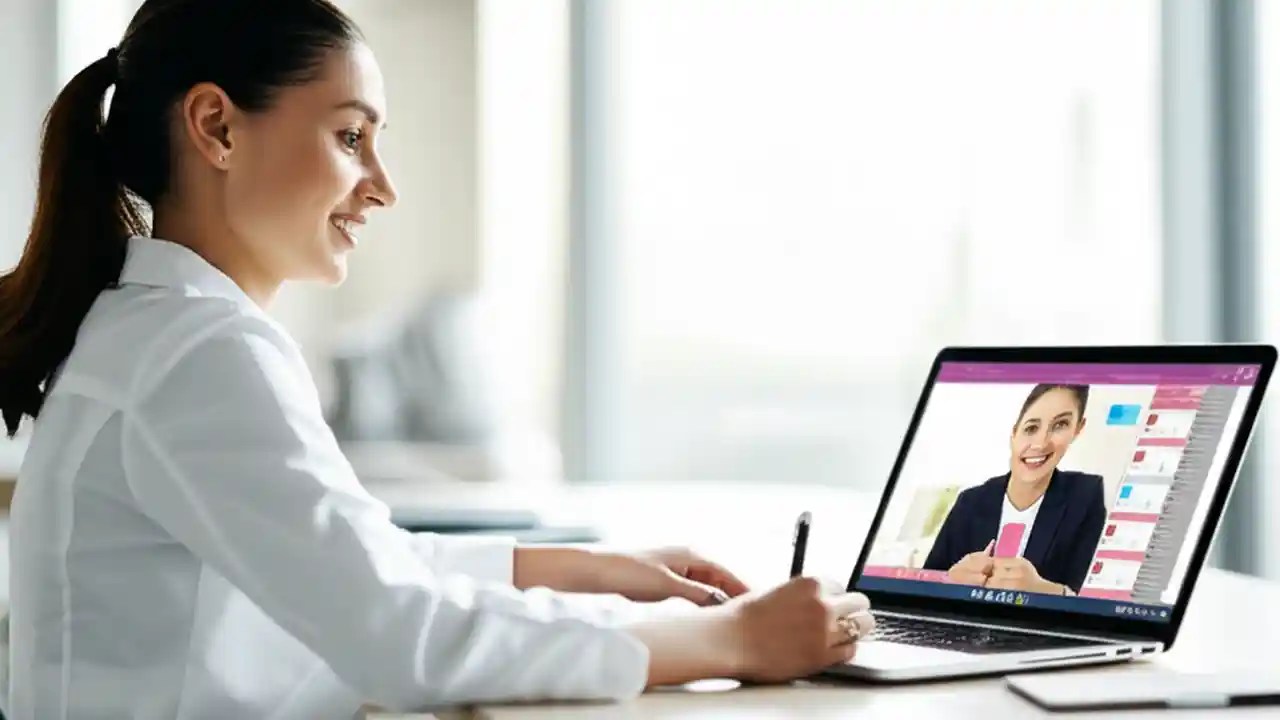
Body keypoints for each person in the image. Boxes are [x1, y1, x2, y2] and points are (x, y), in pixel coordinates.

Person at [0, 2, 874, 717]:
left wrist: (587, 568)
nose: (382, 184)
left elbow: (354, 565)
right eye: (351, 137)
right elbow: (402, 637)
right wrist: (731, 644)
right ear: (217, 127)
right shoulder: (198, 352)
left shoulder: (154, 330)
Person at [922, 384, 1106, 596]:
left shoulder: (1085, 496)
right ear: (1014, 433)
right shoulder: (970, 502)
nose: (1040, 443)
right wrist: (948, 581)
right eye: (1031, 428)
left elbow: (1089, 603)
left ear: (1077, 430)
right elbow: (924, 586)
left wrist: (1043, 590)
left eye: (1060, 425)